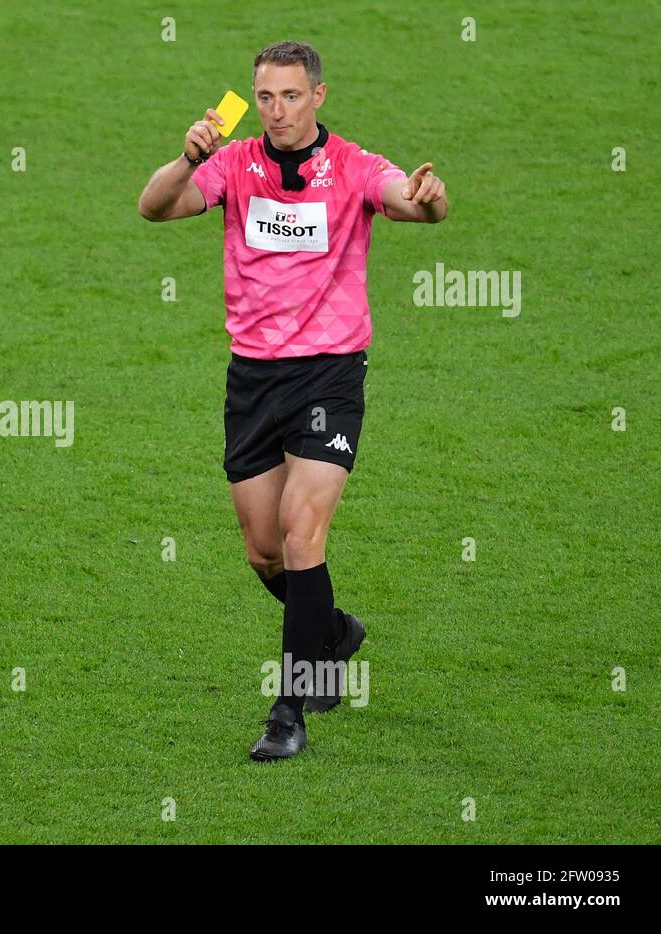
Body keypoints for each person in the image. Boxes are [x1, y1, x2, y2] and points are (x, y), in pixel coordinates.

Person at [137, 40, 448, 760]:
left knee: (304, 535)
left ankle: (289, 710)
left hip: (329, 376)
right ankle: (333, 633)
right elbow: (154, 208)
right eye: (265, 97)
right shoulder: (232, 163)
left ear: (319, 96)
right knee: (265, 551)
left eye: (291, 96)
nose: (277, 111)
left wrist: (429, 201)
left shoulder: (354, 166)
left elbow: (407, 199)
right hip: (253, 378)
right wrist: (185, 157)